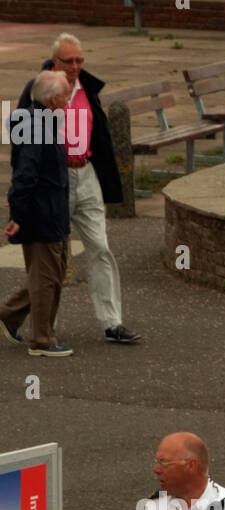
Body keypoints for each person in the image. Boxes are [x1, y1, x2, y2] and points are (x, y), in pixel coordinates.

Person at [17, 33, 140, 345]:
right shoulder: (38, 90)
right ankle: (34, 323)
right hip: (54, 183)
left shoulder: (89, 90)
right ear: (55, 60)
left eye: (79, 60)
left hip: (85, 174)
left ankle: (112, 322)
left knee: (100, 247)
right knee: (52, 259)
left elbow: (100, 136)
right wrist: (23, 193)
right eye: (68, 60)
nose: (74, 66)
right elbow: (19, 143)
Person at [0, 70, 74, 358]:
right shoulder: (37, 128)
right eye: (66, 96)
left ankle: (8, 315)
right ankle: (42, 339)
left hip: (51, 212)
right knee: (46, 278)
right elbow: (25, 175)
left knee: (50, 274)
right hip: (42, 214)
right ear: (54, 99)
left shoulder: (41, 122)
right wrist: (18, 214)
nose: (69, 102)